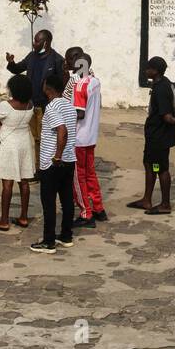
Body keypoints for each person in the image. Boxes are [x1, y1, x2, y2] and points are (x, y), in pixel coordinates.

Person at [128, 56, 175, 216]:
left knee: (160, 168)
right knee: (150, 165)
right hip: (155, 136)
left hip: (159, 137)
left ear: (154, 71)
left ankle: (165, 204)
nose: (145, 70)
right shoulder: (165, 83)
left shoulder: (161, 88)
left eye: (148, 68)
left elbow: (166, 115)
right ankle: (147, 200)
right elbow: (173, 104)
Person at [29, 74, 77, 254]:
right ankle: (66, 235)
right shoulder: (70, 106)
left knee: (48, 202)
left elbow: (62, 131)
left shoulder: (51, 108)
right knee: (66, 200)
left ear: (47, 88)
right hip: (70, 160)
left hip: (53, 162)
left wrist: (57, 156)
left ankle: (48, 241)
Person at [0, 75, 36, 231]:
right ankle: (23, 217)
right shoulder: (30, 104)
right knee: (24, 181)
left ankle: (4, 220)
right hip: (25, 142)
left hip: (9, 145)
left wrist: (3, 125)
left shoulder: (6, 105)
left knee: (7, 183)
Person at [5, 30, 63, 146]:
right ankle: (35, 162)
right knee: (32, 138)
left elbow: (61, 85)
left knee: (46, 138)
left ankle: (44, 162)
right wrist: (11, 63)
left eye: (37, 41)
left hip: (46, 106)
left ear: (45, 43)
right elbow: (17, 69)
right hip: (30, 105)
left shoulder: (57, 60)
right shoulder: (32, 56)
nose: (33, 43)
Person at [69, 52, 106, 228]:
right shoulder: (95, 81)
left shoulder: (79, 85)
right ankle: (98, 207)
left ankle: (86, 213)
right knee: (90, 174)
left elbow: (79, 113)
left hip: (78, 138)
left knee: (78, 177)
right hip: (90, 136)